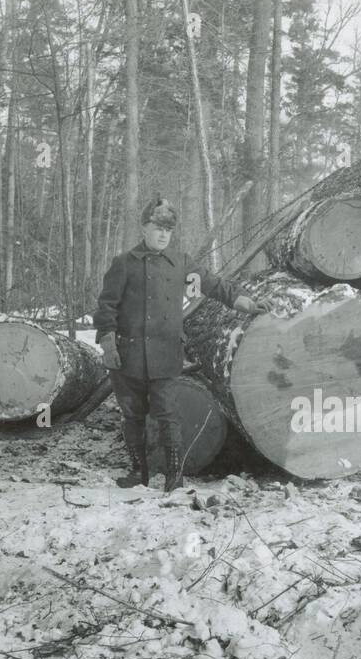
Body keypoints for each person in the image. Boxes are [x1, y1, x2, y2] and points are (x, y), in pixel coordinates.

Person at [94, 198, 267, 492]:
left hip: (165, 354)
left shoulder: (181, 263)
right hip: (128, 355)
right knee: (133, 416)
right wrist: (109, 344)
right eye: (157, 227)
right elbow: (106, 306)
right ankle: (139, 473)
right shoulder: (124, 263)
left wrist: (245, 302)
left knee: (168, 414)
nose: (162, 234)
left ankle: (175, 476)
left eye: (168, 230)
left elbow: (213, 285)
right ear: (144, 228)